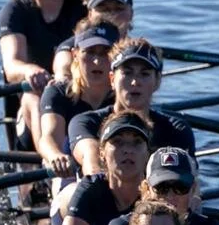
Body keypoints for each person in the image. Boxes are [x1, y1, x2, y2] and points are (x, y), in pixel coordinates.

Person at [0, 0, 87, 149]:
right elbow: (12, 67)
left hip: (73, 92)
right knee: (34, 98)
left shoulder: (83, 9)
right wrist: (29, 71)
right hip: (33, 99)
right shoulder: (16, 11)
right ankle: (49, 169)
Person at [68, 38, 194, 175]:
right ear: (111, 79)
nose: (135, 82)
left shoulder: (176, 130)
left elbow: (189, 186)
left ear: (157, 81)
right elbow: (92, 165)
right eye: (127, 73)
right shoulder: (86, 123)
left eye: (144, 74)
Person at [55, 111, 150, 225]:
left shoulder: (156, 193)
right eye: (117, 142)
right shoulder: (91, 188)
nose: (128, 150)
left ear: (147, 154)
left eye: (137, 143)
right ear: (102, 153)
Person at [36, 17, 119, 178]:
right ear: (75, 54)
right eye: (90, 52)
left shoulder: (125, 96)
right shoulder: (58, 93)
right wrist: (55, 156)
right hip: (68, 173)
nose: (97, 61)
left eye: (105, 53)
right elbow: (48, 138)